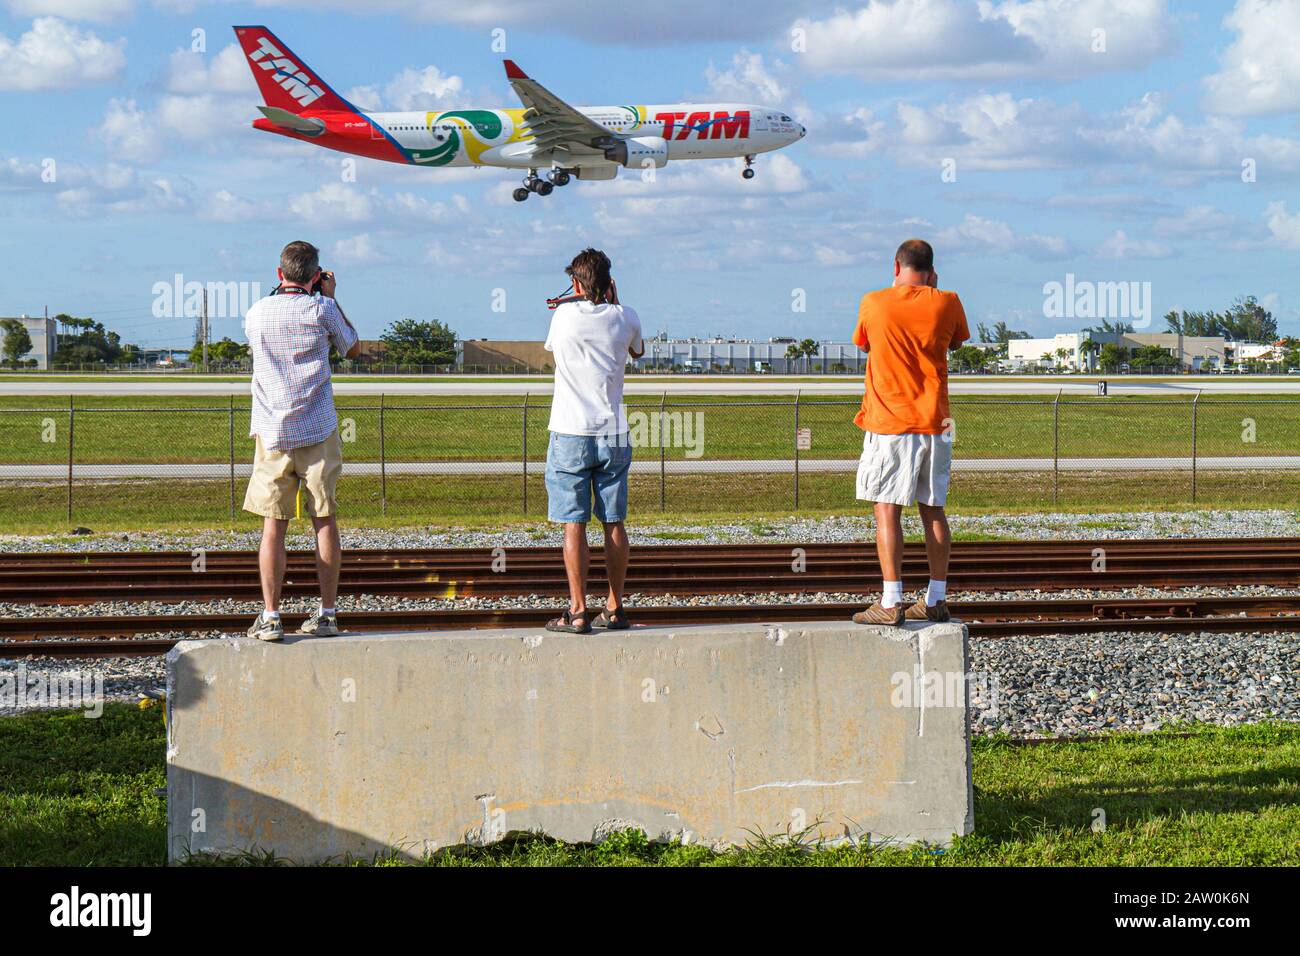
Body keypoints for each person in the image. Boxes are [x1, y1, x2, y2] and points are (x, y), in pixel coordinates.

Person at [242, 240, 361, 641]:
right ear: (315, 275)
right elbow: (352, 347)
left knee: (273, 524)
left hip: (272, 431)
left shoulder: (257, 312)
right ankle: (327, 613)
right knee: (323, 518)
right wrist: (331, 298)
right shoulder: (321, 308)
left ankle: (271, 615)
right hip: (317, 427)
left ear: (280, 274)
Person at [850, 238, 969, 626]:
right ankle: (935, 598)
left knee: (887, 509)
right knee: (933, 509)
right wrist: (932, 291)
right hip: (935, 422)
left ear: (895, 266)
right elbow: (953, 340)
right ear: (932, 270)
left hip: (890, 423)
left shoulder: (874, 302)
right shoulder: (947, 300)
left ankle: (890, 600)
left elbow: (866, 344)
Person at [542, 248, 645, 633]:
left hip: (569, 430)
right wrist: (614, 305)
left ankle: (578, 609)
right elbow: (637, 351)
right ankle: (615, 607)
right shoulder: (626, 316)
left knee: (574, 523)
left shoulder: (563, 317)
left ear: (575, 282)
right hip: (612, 430)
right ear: (609, 282)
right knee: (614, 521)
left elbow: (553, 349)